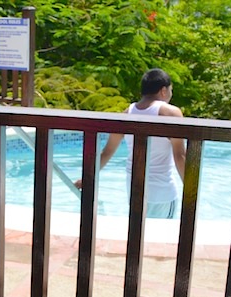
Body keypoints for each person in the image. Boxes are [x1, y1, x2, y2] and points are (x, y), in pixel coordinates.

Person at [75, 68, 186, 219]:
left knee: (137, 236)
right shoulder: (171, 114)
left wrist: (87, 177)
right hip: (162, 192)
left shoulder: (127, 113)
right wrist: (192, 189)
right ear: (163, 91)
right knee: (158, 238)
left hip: (134, 190)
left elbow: (106, 152)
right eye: (171, 90)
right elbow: (180, 156)